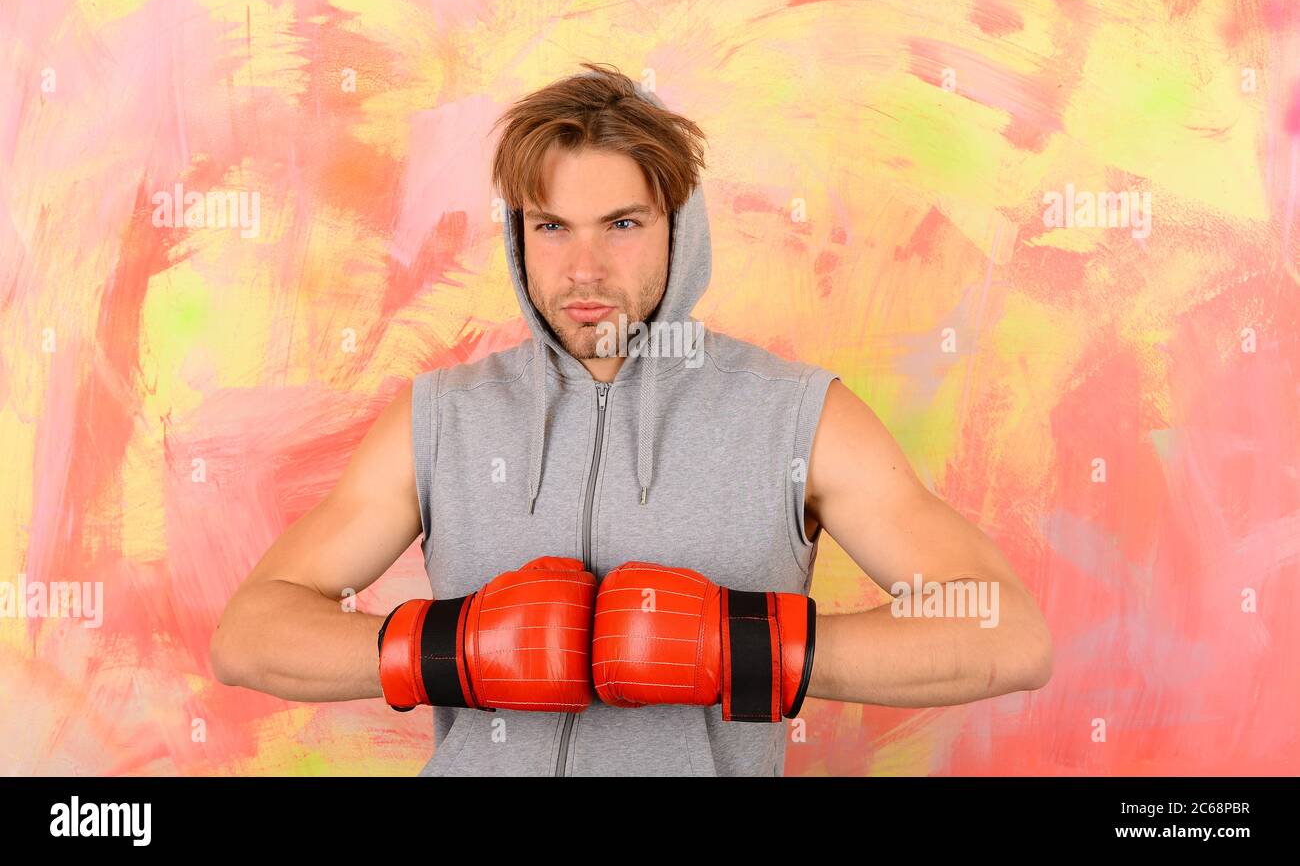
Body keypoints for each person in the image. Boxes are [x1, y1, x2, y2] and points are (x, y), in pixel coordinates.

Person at [210, 62, 1053, 776]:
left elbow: (1005, 634)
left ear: (678, 227)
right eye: (552, 227)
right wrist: (455, 650)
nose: (584, 268)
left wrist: (733, 648)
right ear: (518, 236)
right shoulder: (441, 418)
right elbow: (251, 634)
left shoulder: (798, 416)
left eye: (621, 225)